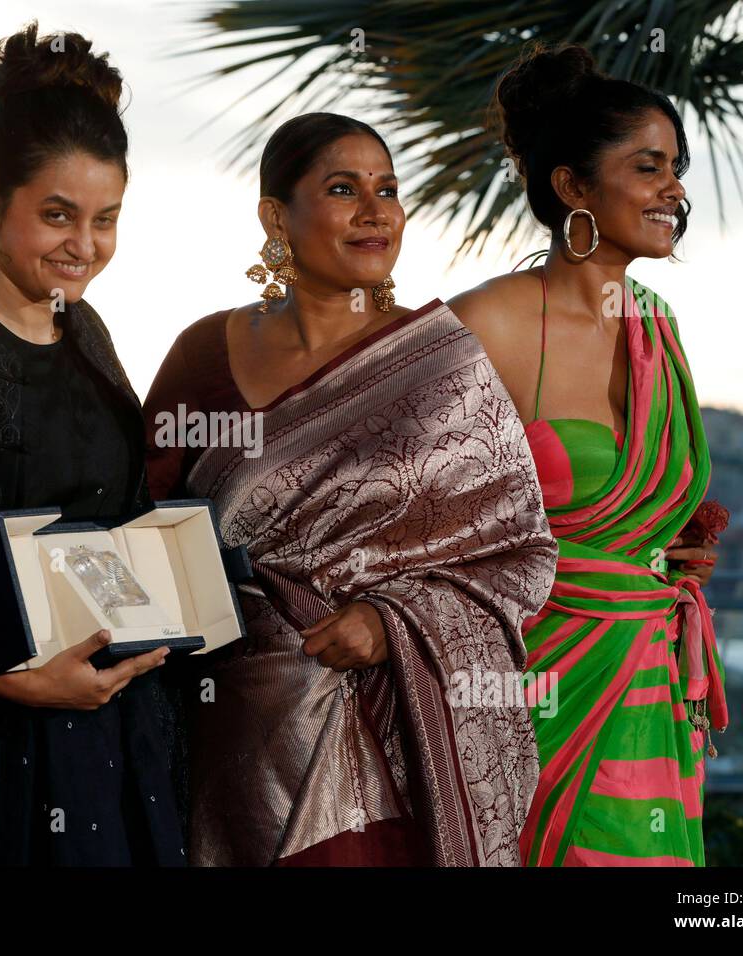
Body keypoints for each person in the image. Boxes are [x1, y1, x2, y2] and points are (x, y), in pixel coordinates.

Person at [144, 112, 558, 866]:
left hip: (389, 741)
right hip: (232, 732)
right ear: (276, 216)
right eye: (343, 189)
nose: (376, 212)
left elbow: (521, 552)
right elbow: (144, 527)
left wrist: (389, 618)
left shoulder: (444, 370)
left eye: (388, 189)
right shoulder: (203, 352)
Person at [0, 23, 184, 866]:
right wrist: (6, 677)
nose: (83, 246)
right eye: (57, 215)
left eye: (105, 219)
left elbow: (118, 519)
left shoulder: (90, 333)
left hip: (112, 740)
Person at [448, 43, 727, 866]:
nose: (674, 191)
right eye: (649, 167)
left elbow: (642, 502)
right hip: (533, 692)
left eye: (676, 167)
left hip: (655, 695)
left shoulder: (658, 325)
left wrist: (666, 544)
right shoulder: (484, 324)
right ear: (572, 187)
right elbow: (392, 510)